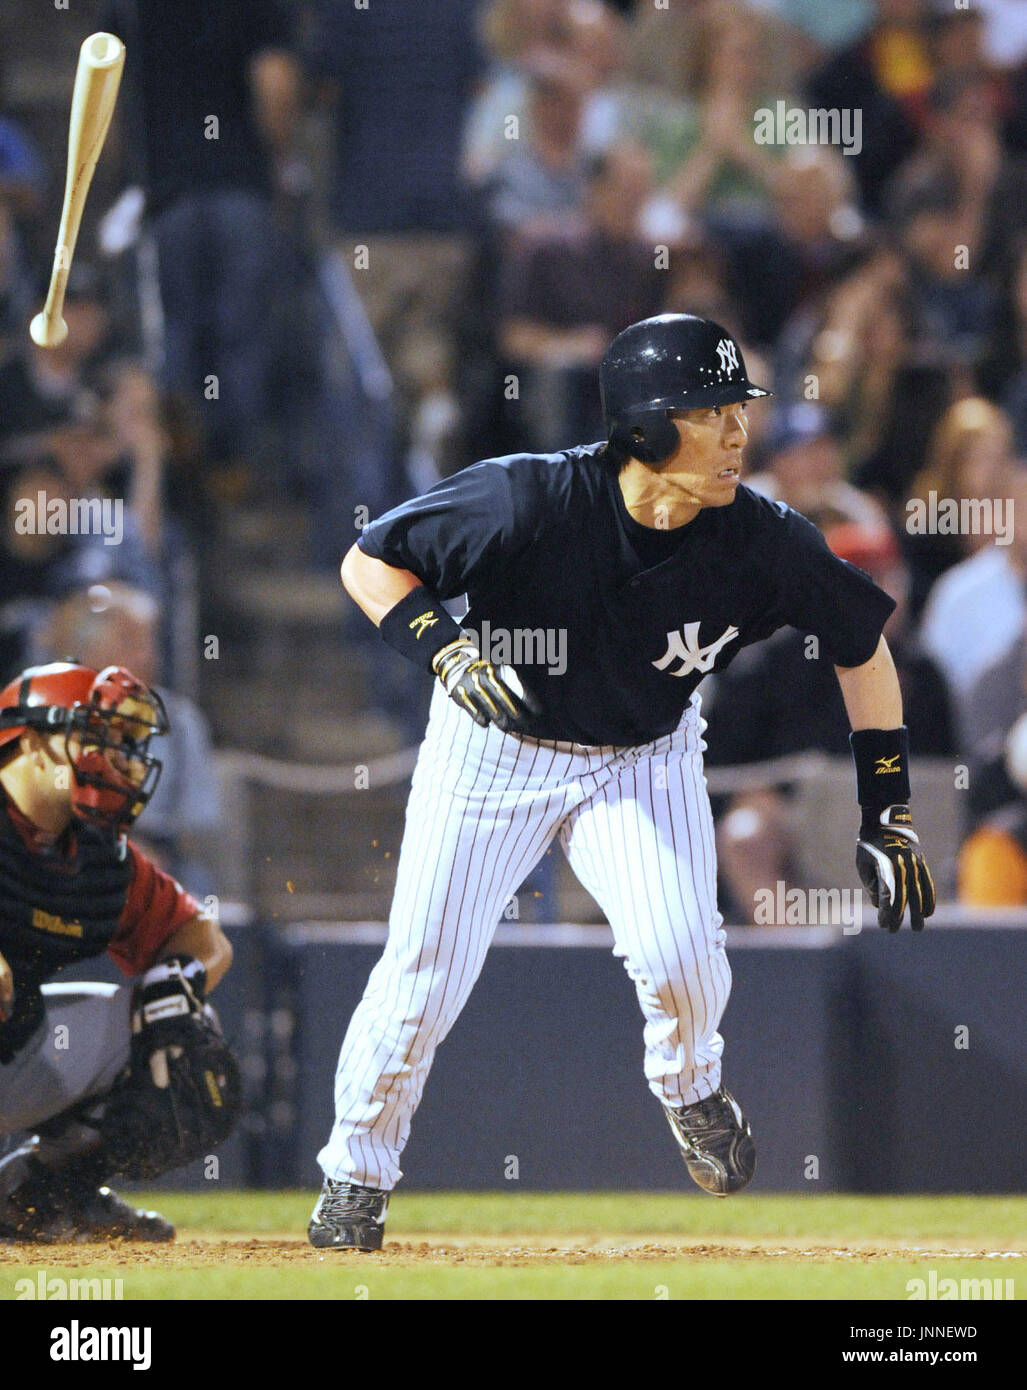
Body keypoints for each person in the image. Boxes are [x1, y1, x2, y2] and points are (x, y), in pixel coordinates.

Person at [310, 313, 937, 1251]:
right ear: (644, 426)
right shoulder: (527, 497)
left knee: (684, 954)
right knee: (423, 977)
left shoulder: (762, 538)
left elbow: (863, 653)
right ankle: (355, 1178)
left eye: (739, 412)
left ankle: (690, 1089)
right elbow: (371, 561)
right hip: (494, 749)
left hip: (642, 752)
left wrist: (886, 812)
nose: (737, 434)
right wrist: (442, 651)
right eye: (711, 411)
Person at [0, 662, 237, 1242]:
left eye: (130, 744)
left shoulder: (100, 857)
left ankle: (36, 1194)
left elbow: (205, 942)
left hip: (15, 1048)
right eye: (104, 738)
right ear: (33, 742)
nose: (124, 760)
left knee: (181, 1025)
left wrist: (174, 983)